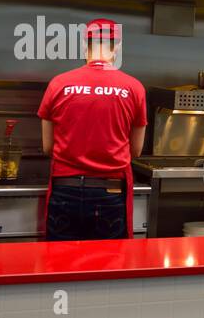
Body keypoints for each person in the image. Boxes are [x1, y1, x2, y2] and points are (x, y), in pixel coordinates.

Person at [38, 18, 147, 241]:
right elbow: (135, 151)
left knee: (60, 265)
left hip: (64, 189)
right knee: (107, 266)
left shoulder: (58, 84)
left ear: (84, 46)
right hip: (110, 192)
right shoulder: (133, 88)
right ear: (117, 46)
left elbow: (48, 147)